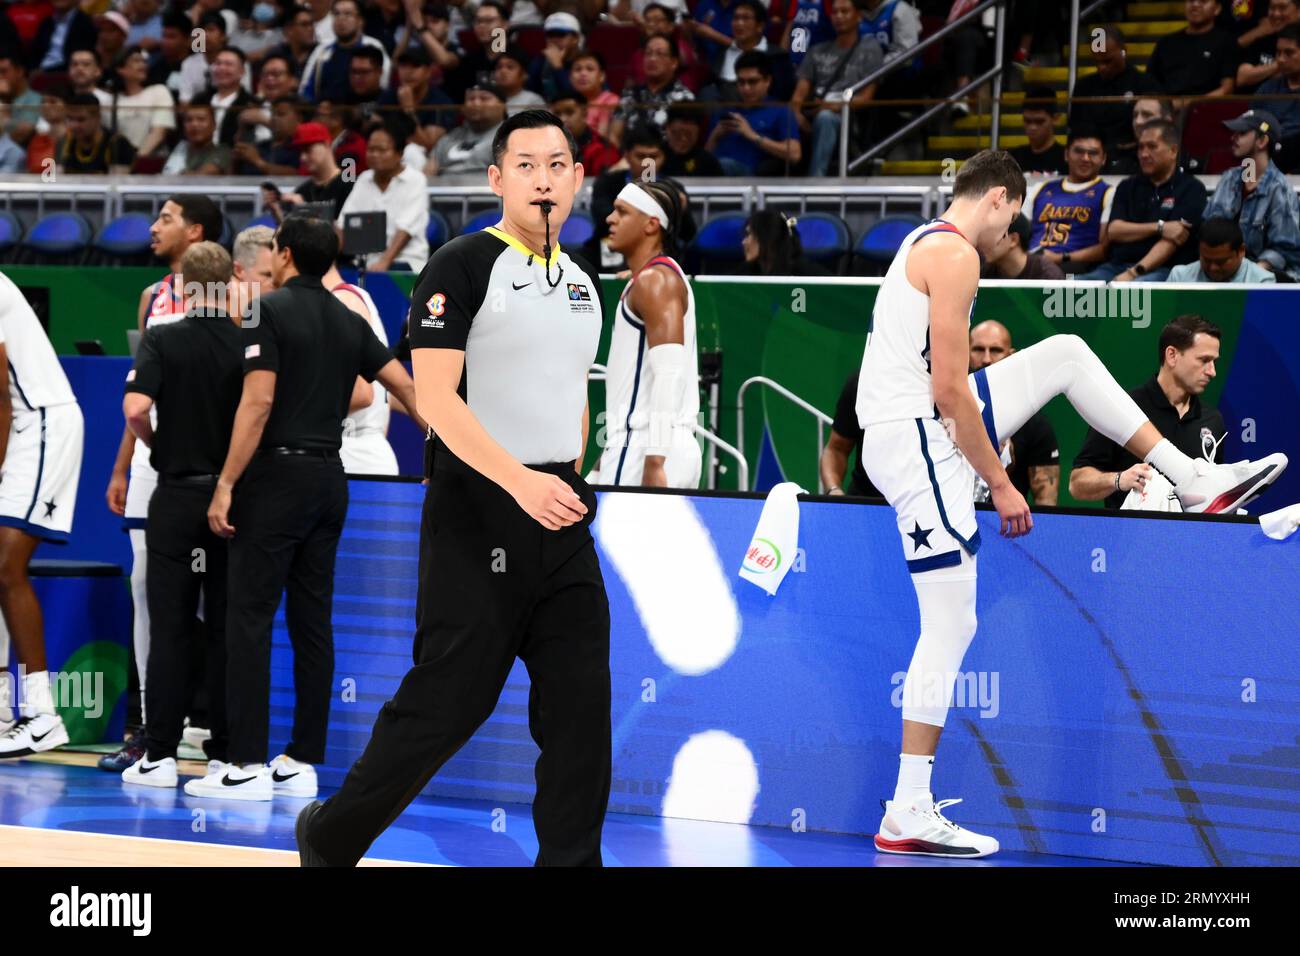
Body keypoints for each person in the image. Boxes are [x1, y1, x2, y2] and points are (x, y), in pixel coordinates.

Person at [855, 150, 1287, 858]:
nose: (1011, 236)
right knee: (950, 624)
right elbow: (950, 393)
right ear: (998, 198)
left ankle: (1190, 478)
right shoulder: (957, 255)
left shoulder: (921, 240)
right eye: (1013, 220)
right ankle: (907, 807)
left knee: (1066, 354)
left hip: (915, 429)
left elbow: (949, 390)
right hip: (916, 438)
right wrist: (1000, 483)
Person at [296, 107, 609, 867]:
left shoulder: (582, 281)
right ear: (497, 178)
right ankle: (331, 835)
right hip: (478, 507)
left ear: (576, 178)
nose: (543, 179)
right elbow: (435, 400)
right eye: (526, 165)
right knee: (450, 700)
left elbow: (571, 393)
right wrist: (520, 483)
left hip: (559, 512)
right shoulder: (460, 265)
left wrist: (567, 477)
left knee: (580, 709)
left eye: (557, 165)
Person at [188, 216, 424, 801]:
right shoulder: (349, 318)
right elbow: (405, 386)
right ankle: (299, 762)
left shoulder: (264, 311)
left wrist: (226, 483)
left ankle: (244, 764)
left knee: (248, 619)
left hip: (276, 480)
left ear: (285, 254)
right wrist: (447, 447)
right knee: (311, 621)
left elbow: (258, 402)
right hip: (328, 478)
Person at [101, 194, 223, 773]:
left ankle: (213, 724)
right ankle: (153, 730)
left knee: (216, 599)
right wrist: (124, 464)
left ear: (195, 231)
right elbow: (139, 393)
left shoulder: (236, 298)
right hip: (159, 462)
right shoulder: (153, 296)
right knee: (148, 589)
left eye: (166, 218)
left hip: (214, 463)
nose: (153, 228)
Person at [118, 242, 242, 789]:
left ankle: (160, 755)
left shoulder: (163, 337)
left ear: (186, 287)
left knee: (169, 626)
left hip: (175, 496)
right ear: (229, 283)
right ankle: (224, 754)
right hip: (231, 501)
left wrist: (158, 446)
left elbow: (134, 409)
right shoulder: (248, 341)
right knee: (226, 627)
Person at [0, 275, 85, 757]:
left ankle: (42, 716)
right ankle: (2, 708)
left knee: (6, 567)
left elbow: (0, 397)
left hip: (40, 422)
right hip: (22, 424)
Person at [592, 180, 702, 488]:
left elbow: (669, 374)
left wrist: (655, 461)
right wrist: (602, 465)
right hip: (651, 444)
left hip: (647, 449)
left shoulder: (655, 281)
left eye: (622, 212)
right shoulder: (657, 276)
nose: (610, 219)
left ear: (651, 224)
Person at [1070, 314, 1230, 508]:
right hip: (1130, 527)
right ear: (1172, 355)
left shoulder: (1212, 420)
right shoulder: (1121, 408)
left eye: (1214, 362)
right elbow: (1077, 483)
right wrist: (1119, 479)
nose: (1212, 371)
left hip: (1189, 529)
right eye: (1204, 360)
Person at [1079, 120, 1207, 283]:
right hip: (1116, 266)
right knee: (1073, 287)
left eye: (1152, 147)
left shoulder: (1191, 188)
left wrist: (1133, 273)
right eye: (1140, 147)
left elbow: (1173, 238)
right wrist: (1160, 227)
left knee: (1136, 290)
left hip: (1164, 270)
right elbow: (1115, 231)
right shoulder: (1127, 186)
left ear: (1173, 151)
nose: (1144, 154)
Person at [322, 258, 412, 475]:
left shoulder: (343, 302)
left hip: (354, 454)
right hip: (360, 453)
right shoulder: (350, 298)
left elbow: (361, 393)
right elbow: (391, 390)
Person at [967, 320, 1059, 505]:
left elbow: (1047, 504)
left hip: (1006, 521)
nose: (986, 359)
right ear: (965, 352)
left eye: (995, 350)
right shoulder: (942, 411)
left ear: (1011, 356)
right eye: (978, 349)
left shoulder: (1034, 424)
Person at [1203, 107, 1300, 278]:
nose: (1233, 137)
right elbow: (1209, 229)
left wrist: (1248, 274)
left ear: (1262, 141)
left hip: (1264, 273)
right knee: (1178, 274)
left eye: (1241, 133)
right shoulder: (1229, 178)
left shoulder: (1280, 188)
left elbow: (1284, 249)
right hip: (1220, 266)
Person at [790, 0, 882, 178]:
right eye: (835, 12)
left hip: (849, 117)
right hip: (815, 113)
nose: (838, 16)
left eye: (845, 11)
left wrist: (831, 106)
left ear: (858, 16)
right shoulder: (817, 50)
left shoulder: (870, 49)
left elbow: (866, 98)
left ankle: (816, 180)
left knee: (825, 118)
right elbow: (798, 96)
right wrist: (798, 117)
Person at [337, 121, 430, 272]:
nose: (374, 155)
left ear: (399, 153)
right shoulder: (363, 179)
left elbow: (406, 229)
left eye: (381, 150)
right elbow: (343, 224)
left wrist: (385, 261)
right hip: (365, 263)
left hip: (406, 262)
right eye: (370, 149)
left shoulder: (416, 180)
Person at [1024, 128, 1114, 273]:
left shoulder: (1108, 193)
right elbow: (1019, 233)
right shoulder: (1039, 189)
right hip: (1032, 263)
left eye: (1093, 153)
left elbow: (1105, 249)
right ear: (1066, 154)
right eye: (1079, 151)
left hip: (1075, 268)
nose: (1085, 158)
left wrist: (1060, 258)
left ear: (1104, 159)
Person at [704, 51, 801, 176]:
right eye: (741, 82)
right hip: (715, 177)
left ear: (768, 81)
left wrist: (752, 135)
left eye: (752, 82)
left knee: (725, 165)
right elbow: (704, 159)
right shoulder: (725, 111)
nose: (746, 88)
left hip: (752, 178)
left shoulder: (781, 110)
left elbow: (794, 154)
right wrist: (715, 136)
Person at [1067, 24, 1158, 156]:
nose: (1102, 67)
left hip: (1134, 156)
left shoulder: (1145, 84)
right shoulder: (1083, 87)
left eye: (1107, 61)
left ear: (1123, 51)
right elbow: (1076, 129)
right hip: (1091, 156)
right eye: (1097, 62)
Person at [608, 34, 695, 148]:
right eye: (648, 53)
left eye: (660, 54)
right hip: (630, 157)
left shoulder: (684, 98)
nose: (652, 59)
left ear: (674, 63)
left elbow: (683, 143)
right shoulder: (629, 95)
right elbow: (614, 136)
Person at [1145, 0, 1238, 107]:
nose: (1195, 4)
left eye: (1203, 1)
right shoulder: (1166, 43)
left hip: (1208, 108)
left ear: (1217, 9)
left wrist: (1188, 104)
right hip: (1167, 110)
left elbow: (1227, 89)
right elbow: (1149, 83)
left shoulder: (1226, 41)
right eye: (1191, 1)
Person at [300, 0, 390, 104]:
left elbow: (384, 84)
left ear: (360, 20)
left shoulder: (373, 46)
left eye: (348, 14)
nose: (341, 19)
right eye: (336, 14)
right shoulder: (322, 50)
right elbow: (306, 89)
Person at [820, 370, 881, 497]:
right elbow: (836, 450)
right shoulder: (861, 383)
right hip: (865, 500)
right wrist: (834, 490)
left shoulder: (924, 389)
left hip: (918, 502)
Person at [106, 45, 175, 157]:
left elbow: (159, 133)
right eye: (136, 61)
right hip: (121, 162)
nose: (143, 65)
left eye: (144, 61)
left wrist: (137, 160)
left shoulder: (159, 91)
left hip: (151, 161)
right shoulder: (111, 100)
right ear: (121, 69)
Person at [427, 81, 506, 175]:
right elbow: (429, 172)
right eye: (471, 99)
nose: (476, 103)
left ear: (503, 106)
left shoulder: (509, 137)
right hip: (444, 183)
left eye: (484, 98)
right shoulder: (449, 138)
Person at [279, 120, 354, 219]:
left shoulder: (349, 184)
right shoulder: (303, 191)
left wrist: (304, 209)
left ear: (326, 145)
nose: (303, 158)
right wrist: (277, 212)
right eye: (300, 152)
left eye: (308, 150)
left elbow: (346, 226)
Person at [1167, 217, 1277, 282]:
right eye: (1206, 260)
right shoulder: (1179, 277)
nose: (1213, 268)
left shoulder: (1262, 282)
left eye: (1221, 262)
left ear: (1241, 251)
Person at [1252, 25, 1300, 168]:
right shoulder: (1267, 89)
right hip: (1268, 162)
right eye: (1278, 53)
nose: (1280, 59)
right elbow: (1251, 128)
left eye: (1289, 53)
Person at [56, 92, 136, 174]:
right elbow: (58, 177)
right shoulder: (65, 142)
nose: (73, 125)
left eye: (81, 120)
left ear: (97, 117)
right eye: (70, 119)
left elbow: (118, 181)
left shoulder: (117, 144)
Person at [1236, 0, 1300, 94]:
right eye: (1272, 8)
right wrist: (1281, 63)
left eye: (1282, 8)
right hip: (1260, 98)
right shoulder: (1262, 40)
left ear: (1298, 11)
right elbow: (1242, 78)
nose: (1276, 14)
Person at [551, 91, 620, 176]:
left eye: (569, 112)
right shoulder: (546, 147)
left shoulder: (602, 150)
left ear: (584, 113)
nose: (563, 119)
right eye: (557, 114)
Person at [741, 209, 825, 275]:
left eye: (749, 234)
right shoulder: (742, 275)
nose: (744, 242)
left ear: (767, 238)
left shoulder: (811, 277)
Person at [981, 213, 1064, 280]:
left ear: (1013, 240)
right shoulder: (984, 272)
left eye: (991, 235)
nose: (982, 242)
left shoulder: (1048, 276)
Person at [1008, 85, 1066, 175]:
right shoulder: (1013, 158)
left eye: (1039, 121)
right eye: (1027, 121)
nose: (1032, 127)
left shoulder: (1066, 159)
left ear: (1055, 119)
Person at [161, 102, 232, 174]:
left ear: (214, 125)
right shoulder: (179, 149)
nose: (194, 124)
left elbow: (201, 175)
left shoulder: (222, 151)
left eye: (201, 119)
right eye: (189, 120)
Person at [29, 0, 97, 73]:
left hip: (66, 74)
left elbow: (79, 59)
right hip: (39, 72)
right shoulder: (46, 23)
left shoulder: (85, 24)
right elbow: (35, 54)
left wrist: (45, 71)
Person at [569, 50, 620, 141]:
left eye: (590, 69)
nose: (583, 74)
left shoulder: (611, 101)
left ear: (602, 76)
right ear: (570, 77)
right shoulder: (566, 102)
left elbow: (602, 138)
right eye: (578, 69)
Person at [662, 105, 723, 176]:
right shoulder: (655, 157)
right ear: (667, 129)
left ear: (698, 133)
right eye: (678, 134)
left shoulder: (708, 162)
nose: (684, 139)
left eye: (689, 135)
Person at [493, 45, 546, 116]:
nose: (503, 71)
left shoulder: (533, 100)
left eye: (510, 67)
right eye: (499, 67)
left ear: (524, 75)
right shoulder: (487, 99)